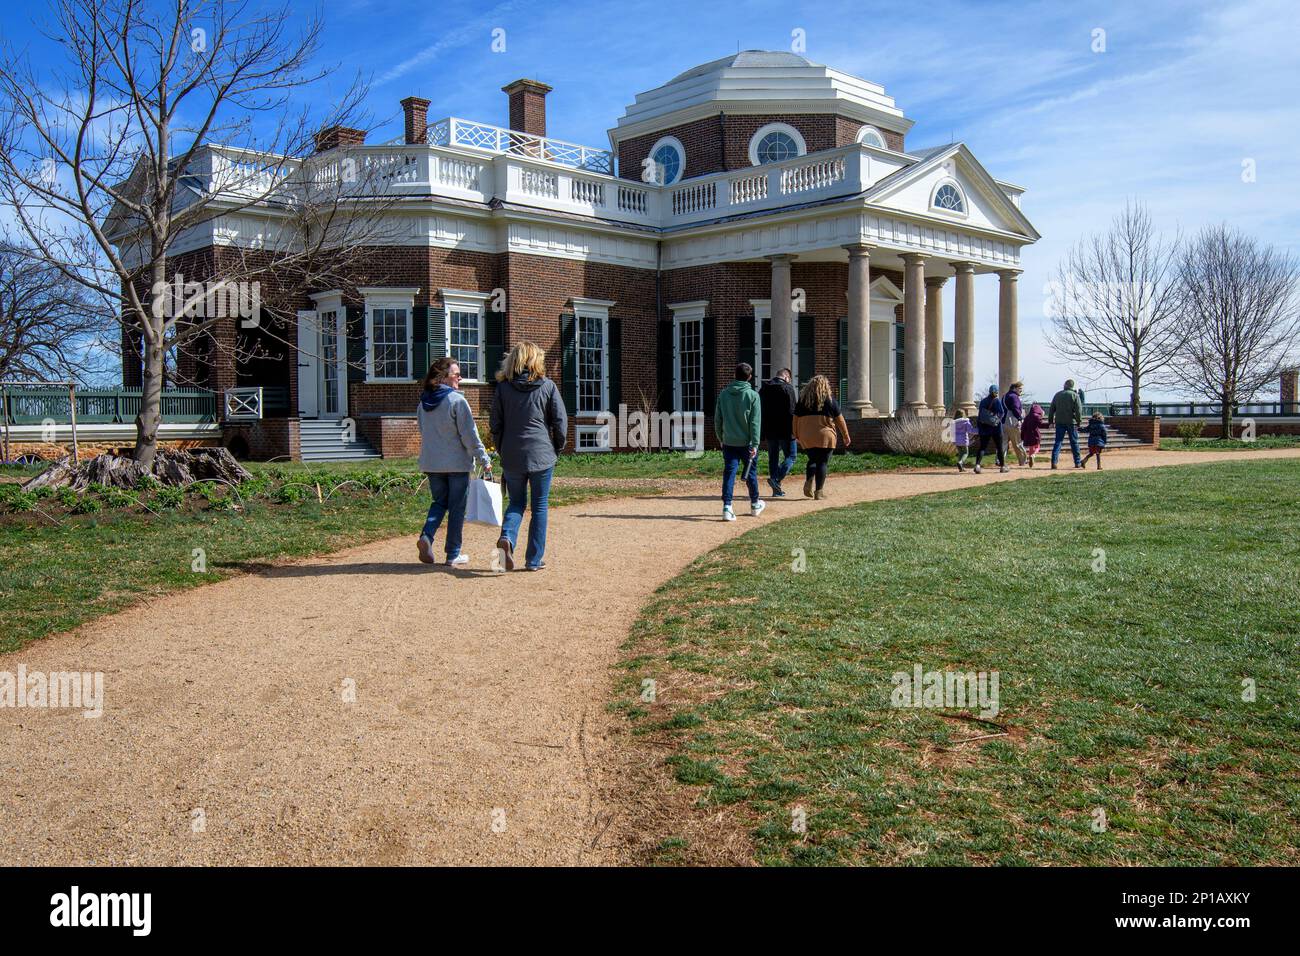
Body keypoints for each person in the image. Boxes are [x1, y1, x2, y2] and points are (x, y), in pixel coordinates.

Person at [489, 341, 567, 571]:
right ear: (536, 360)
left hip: (512, 453)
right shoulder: (548, 386)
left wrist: (502, 448)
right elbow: (560, 422)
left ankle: (507, 539)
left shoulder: (502, 388)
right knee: (540, 506)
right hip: (542, 453)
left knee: (515, 502)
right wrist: (557, 448)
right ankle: (533, 560)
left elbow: (495, 423)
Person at [417, 357, 492, 567]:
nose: (460, 377)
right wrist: (483, 458)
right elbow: (469, 435)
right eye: (456, 374)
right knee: (457, 507)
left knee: (439, 502)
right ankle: (453, 554)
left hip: (432, 463)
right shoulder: (456, 400)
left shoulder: (423, 403)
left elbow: (423, 431)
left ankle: (427, 536)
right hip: (457, 464)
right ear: (443, 377)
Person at [715, 362, 764, 521]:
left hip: (729, 441)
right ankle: (755, 503)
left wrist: (721, 438)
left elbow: (718, 420)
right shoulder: (753, 396)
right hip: (747, 442)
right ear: (749, 378)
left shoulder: (723, 394)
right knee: (751, 473)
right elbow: (755, 423)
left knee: (729, 474)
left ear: (734, 375)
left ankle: (727, 507)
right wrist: (755, 443)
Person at [793, 374, 851, 499]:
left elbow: (795, 419)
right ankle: (819, 492)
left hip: (807, 436)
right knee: (822, 462)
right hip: (826, 436)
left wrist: (796, 434)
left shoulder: (802, 401)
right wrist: (846, 435)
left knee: (812, 459)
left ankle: (808, 482)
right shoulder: (830, 400)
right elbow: (840, 420)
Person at [759, 367, 797, 497]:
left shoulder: (764, 389)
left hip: (770, 429)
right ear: (786, 377)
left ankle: (776, 490)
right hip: (786, 430)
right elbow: (793, 411)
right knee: (791, 456)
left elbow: (760, 409)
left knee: (773, 459)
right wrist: (795, 430)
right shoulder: (788, 388)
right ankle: (776, 480)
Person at [1047, 378, 1085, 470]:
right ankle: (1077, 462)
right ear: (1072, 386)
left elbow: (1051, 409)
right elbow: (1078, 410)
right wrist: (1079, 421)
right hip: (1071, 422)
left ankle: (1054, 462)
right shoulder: (1075, 395)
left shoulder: (1057, 395)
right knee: (1074, 442)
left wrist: (1050, 421)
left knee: (1058, 442)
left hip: (1059, 421)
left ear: (1065, 385)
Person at [973, 384, 1008, 474]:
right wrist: (996, 420)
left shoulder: (983, 401)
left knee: (982, 447)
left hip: (984, 428)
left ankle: (977, 465)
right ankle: (1003, 466)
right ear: (996, 392)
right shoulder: (997, 401)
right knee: (999, 447)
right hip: (995, 428)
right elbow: (1002, 413)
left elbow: (980, 414)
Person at [1003, 381, 1028, 466]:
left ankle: (1000, 460)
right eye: (1020, 388)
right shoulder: (1014, 397)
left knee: (1003, 443)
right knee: (1017, 442)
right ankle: (1023, 460)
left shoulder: (1005, 396)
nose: (1021, 391)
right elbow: (1015, 408)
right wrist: (1020, 418)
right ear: (1014, 388)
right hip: (1012, 421)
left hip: (1003, 421)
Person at [951, 406, 977, 472]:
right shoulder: (966, 422)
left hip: (956, 441)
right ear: (963, 415)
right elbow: (970, 430)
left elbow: (952, 432)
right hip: (963, 440)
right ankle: (960, 462)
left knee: (960, 453)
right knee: (966, 453)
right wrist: (978, 431)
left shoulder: (953, 423)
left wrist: (953, 441)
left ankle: (961, 468)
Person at [1021, 402, 1046, 468]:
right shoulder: (1037, 416)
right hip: (1035, 435)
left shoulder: (1027, 417)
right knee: (1037, 447)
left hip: (1027, 435)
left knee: (1031, 448)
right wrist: (1049, 425)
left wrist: (1022, 436)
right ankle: (1033, 455)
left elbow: (1023, 427)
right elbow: (1040, 425)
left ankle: (1030, 459)